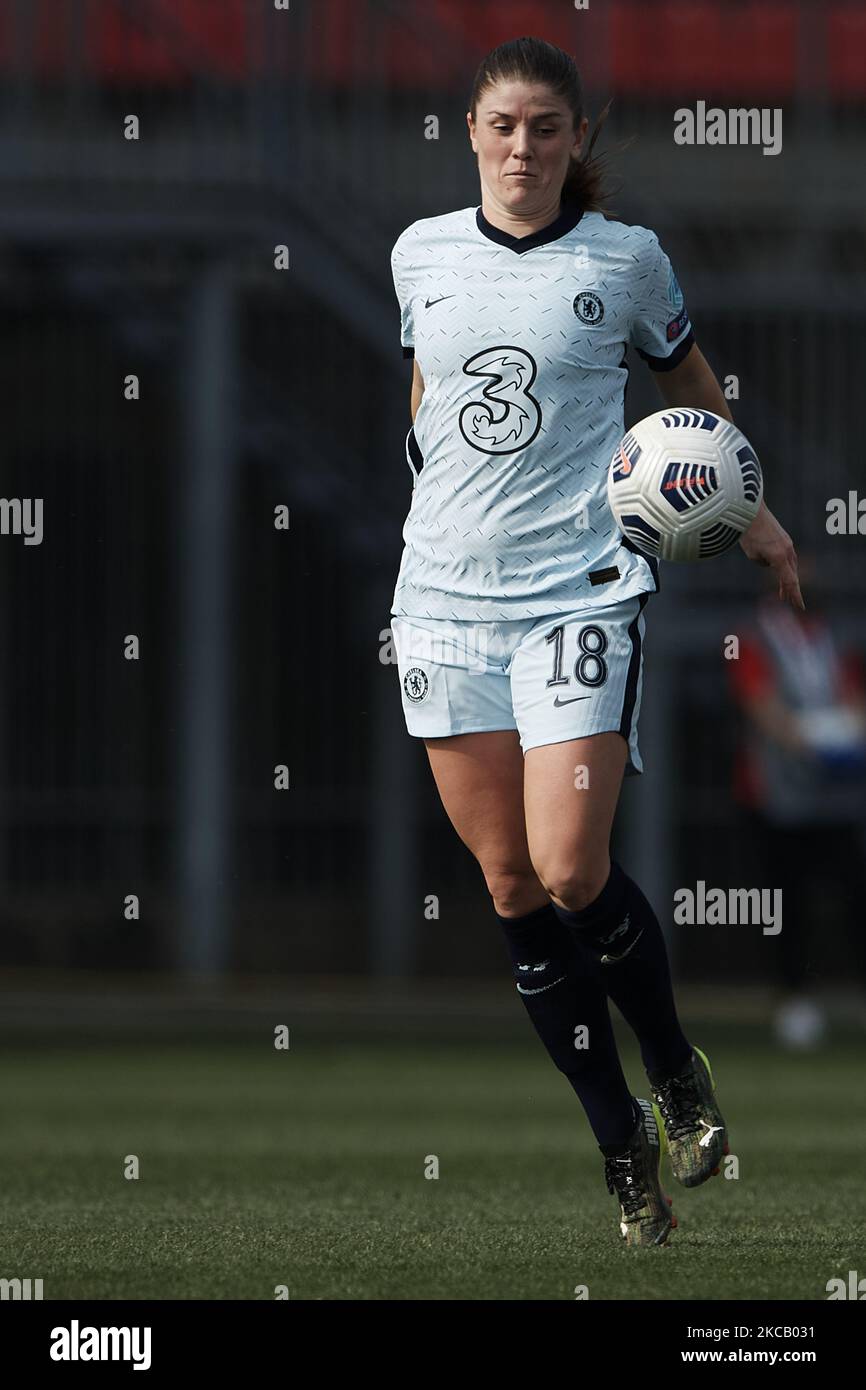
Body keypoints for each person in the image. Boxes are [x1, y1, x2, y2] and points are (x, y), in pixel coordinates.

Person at [388, 36, 802, 1246]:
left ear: (576, 145)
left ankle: (673, 1069)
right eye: (503, 127)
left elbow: (695, 397)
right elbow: (423, 399)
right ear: (470, 131)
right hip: (442, 601)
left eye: (546, 131)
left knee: (570, 867)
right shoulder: (419, 254)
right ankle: (618, 1136)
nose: (523, 148)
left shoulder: (624, 261)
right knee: (510, 884)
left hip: (576, 588)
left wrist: (755, 510)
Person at [729, 554, 866, 1049]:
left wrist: (846, 734)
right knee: (785, 904)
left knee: (854, 894)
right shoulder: (750, 637)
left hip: (834, 794)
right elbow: (763, 708)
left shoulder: (835, 635)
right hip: (774, 795)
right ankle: (794, 1000)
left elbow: (854, 697)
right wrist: (819, 737)